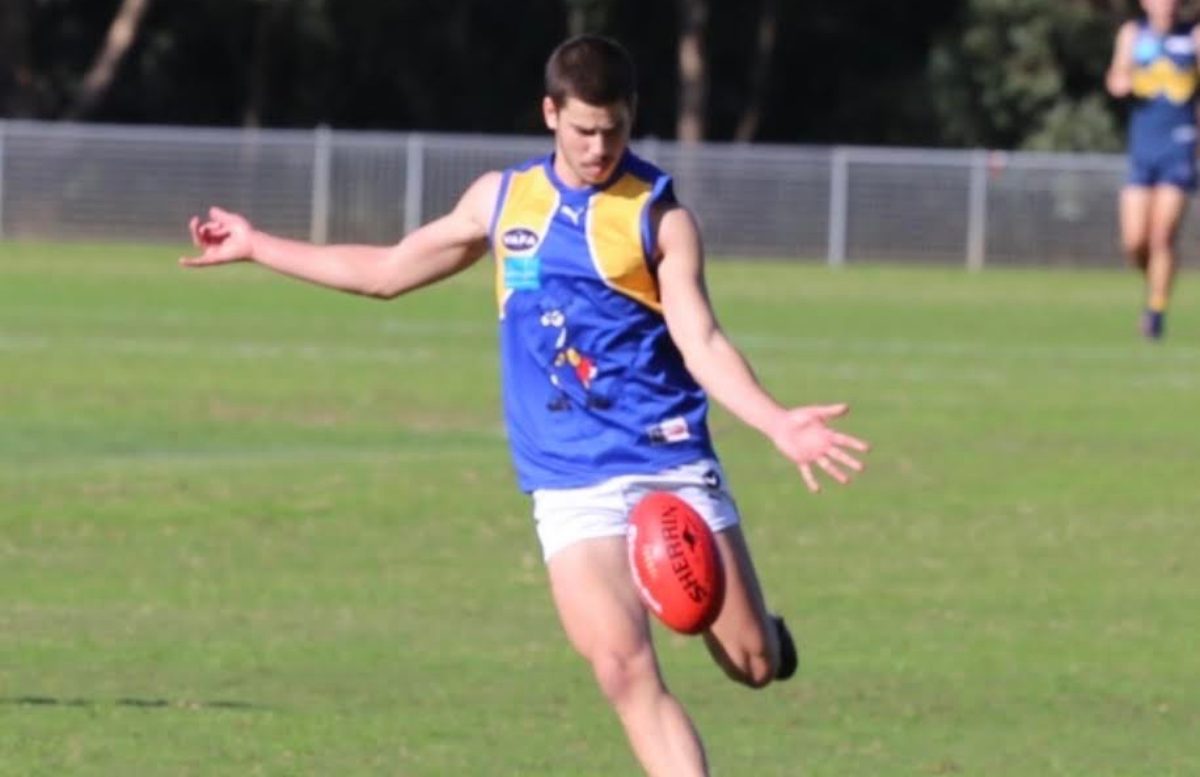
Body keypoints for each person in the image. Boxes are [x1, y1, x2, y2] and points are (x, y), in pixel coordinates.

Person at [181, 34, 869, 777]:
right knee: (623, 669)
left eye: (614, 130)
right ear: (550, 114)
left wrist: (775, 421)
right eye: (583, 130)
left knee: (753, 663)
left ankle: (766, 630)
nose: (600, 147)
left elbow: (700, 339)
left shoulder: (659, 219)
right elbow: (383, 271)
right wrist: (257, 246)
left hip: (666, 461)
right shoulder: (503, 201)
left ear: (632, 116)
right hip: (568, 477)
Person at [1106, 0, 1200, 340]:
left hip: (1180, 147)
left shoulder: (1193, 37)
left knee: (1162, 236)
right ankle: (1156, 281)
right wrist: (1122, 80)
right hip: (1143, 148)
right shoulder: (1133, 34)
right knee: (1134, 242)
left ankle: (1156, 311)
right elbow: (1116, 77)